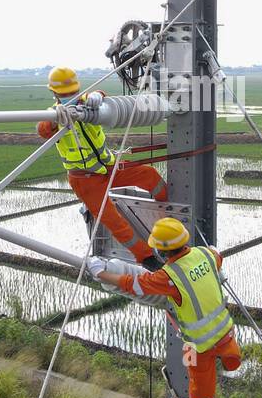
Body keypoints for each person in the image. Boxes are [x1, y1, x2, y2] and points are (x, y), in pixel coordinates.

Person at [87, 217, 240, 398]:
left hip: (197, 345)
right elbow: (217, 254)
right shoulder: (205, 254)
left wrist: (102, 273)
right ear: (184, 239)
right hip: (225, 331)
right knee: (223, 347)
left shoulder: (169, 276)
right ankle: (231, 356)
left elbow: (133, 284)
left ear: (161, 251)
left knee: (197, 377)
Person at [39, 65, 168, 270]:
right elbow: (44, 130)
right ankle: (146, 258)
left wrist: (98, 95)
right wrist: (56, 118)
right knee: (112, 219)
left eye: (73, 93)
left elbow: (102, 98)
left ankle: (169, 216)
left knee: (148, 175)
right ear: (54, 93)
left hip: (108, 167)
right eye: (65, 94)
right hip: (84, 179)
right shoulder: (53, 114)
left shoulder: (89, 104)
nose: (70, 97)